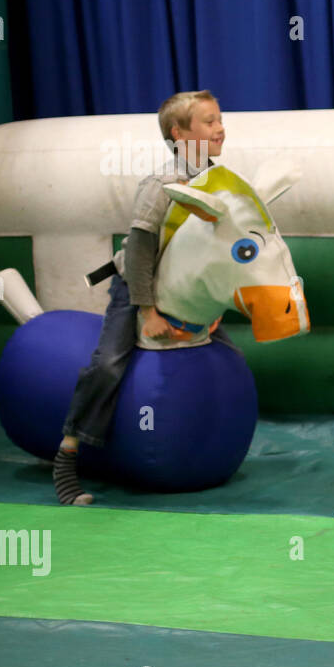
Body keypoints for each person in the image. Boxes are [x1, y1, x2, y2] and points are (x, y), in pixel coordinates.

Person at [53, 90, 242, 505]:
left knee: (232, 360)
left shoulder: (219, 183)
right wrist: (147, 310)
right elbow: (138, 251)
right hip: (138, 288)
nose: (220, 127)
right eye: (209, 121)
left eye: (219, 119)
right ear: (179, 133)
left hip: (186, 297)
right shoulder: (162, 184)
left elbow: (214, 257)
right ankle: (67, 456)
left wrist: (211, 311)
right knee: (107, 365)